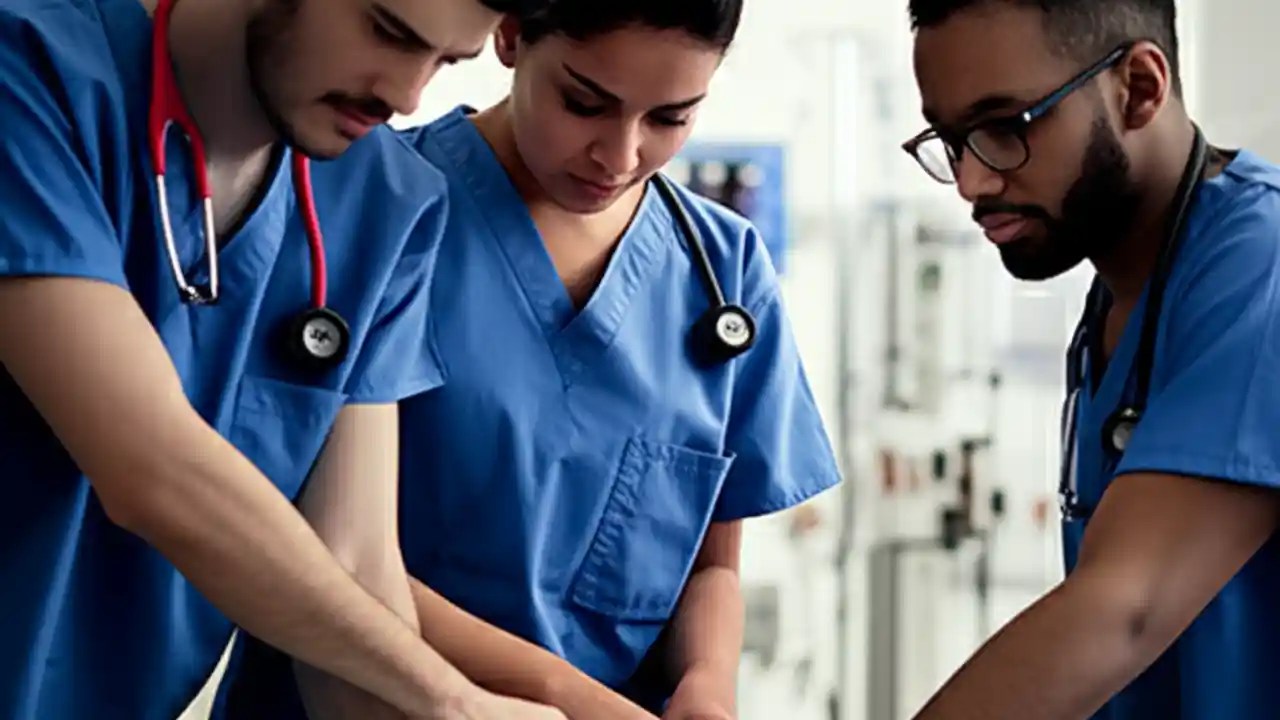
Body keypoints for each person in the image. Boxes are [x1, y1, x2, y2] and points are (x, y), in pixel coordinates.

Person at [221, 1, 843, 718]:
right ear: (511, 36)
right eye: (584, 104)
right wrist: (566, 698)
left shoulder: (721, 275)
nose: (620, 156)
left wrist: (706, 684)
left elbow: (711, 566)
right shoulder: (364, 209)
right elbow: (319, 550)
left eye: (670, 118)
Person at [0, 0, 566, 717]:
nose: (406, 96)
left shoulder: (387, 204)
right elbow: (150, 470)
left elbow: (355, 567)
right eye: (388, 33)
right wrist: (449, 699)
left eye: (446, 62)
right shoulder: (28, 70)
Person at [901, 1, 1280, 718]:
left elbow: (1123, 611)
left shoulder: (1262, 266)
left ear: (1138, 88)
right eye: (951, 141)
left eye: (1005, 127)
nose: (972, 183)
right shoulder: (1120, 301)